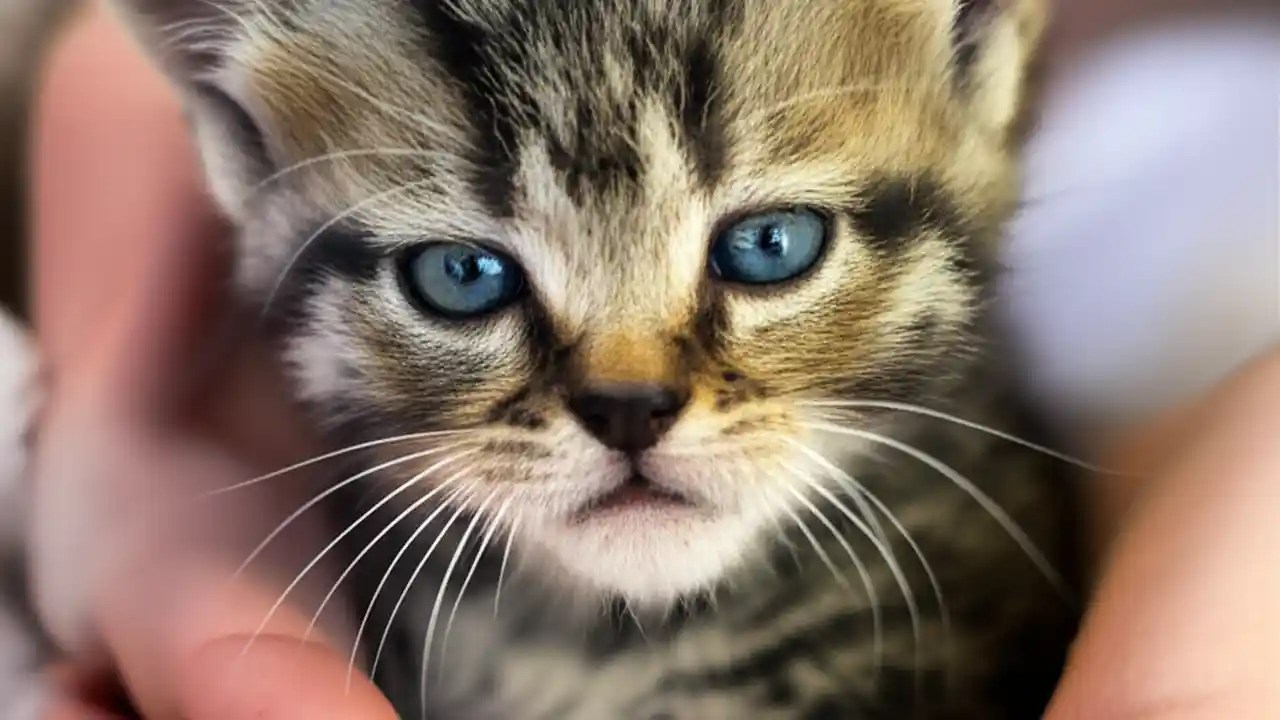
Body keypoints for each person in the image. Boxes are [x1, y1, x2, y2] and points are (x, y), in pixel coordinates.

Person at [26, 3, 1278, 718]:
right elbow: (112, 69)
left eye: (767, 247)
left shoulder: (946, 613)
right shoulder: (347, 582)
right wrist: (124, 399)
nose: (628, 389)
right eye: (465, 274)